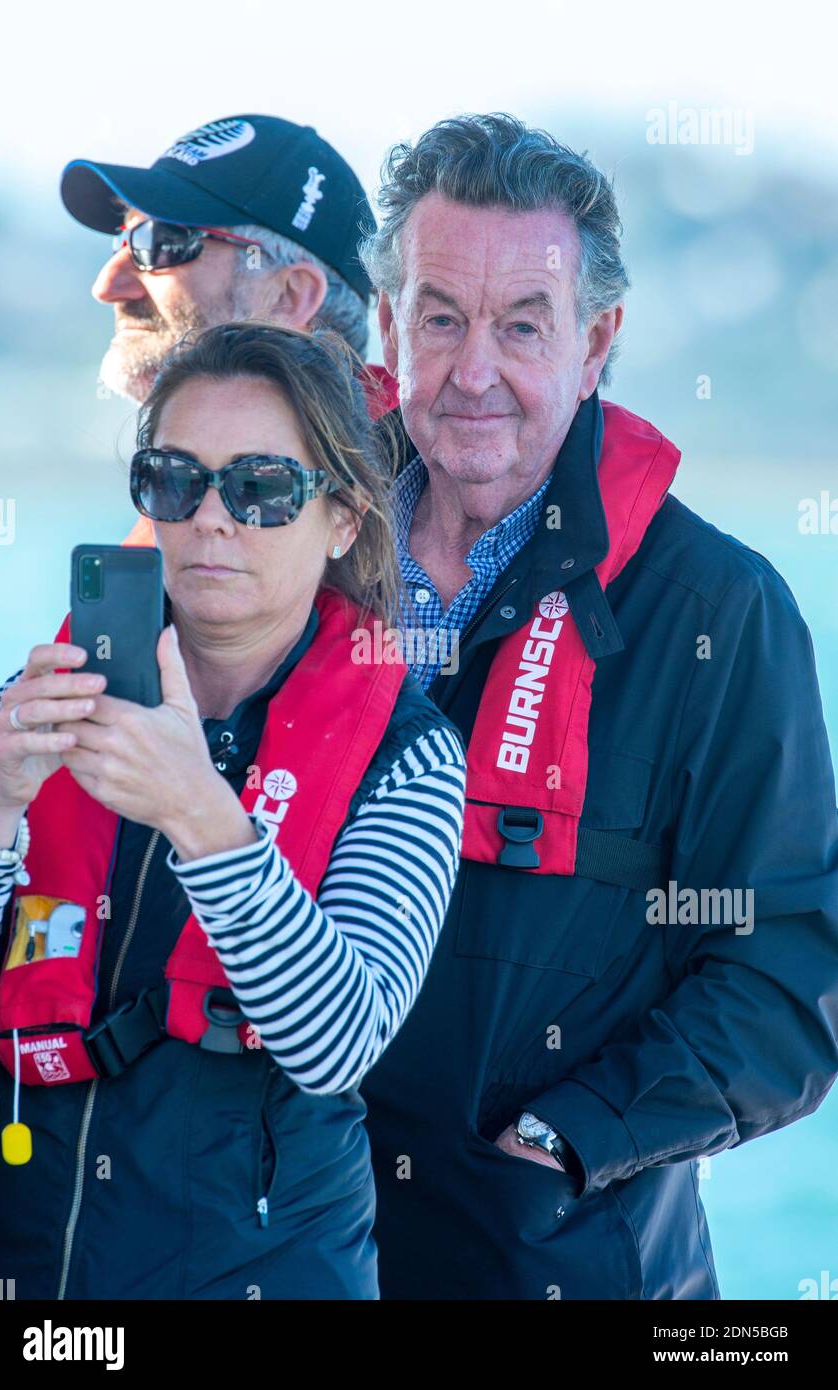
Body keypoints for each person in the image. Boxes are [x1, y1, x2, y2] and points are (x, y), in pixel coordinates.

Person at [355, 113, 838, 1300]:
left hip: (564, 1267)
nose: (475, 370)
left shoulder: (720, 610)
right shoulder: (294, 558)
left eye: (523, 324)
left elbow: (786, 976)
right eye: (441, 318)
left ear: (596, 342)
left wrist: (570, 1140)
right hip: (299, 1255)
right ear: (385, 326)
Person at [0, 322, 466, 1300]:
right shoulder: (42, 704)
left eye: (262, 487)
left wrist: (206, 821)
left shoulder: (408, 757)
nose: (212, 518)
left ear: (343, 519)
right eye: (175, 479)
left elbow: (337, 1039)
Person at [61, 113, 399, 546]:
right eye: (121, 243)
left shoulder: (425, 510)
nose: (107, 286)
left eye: (158, 242)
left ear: (288, 297)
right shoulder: (183, 493)